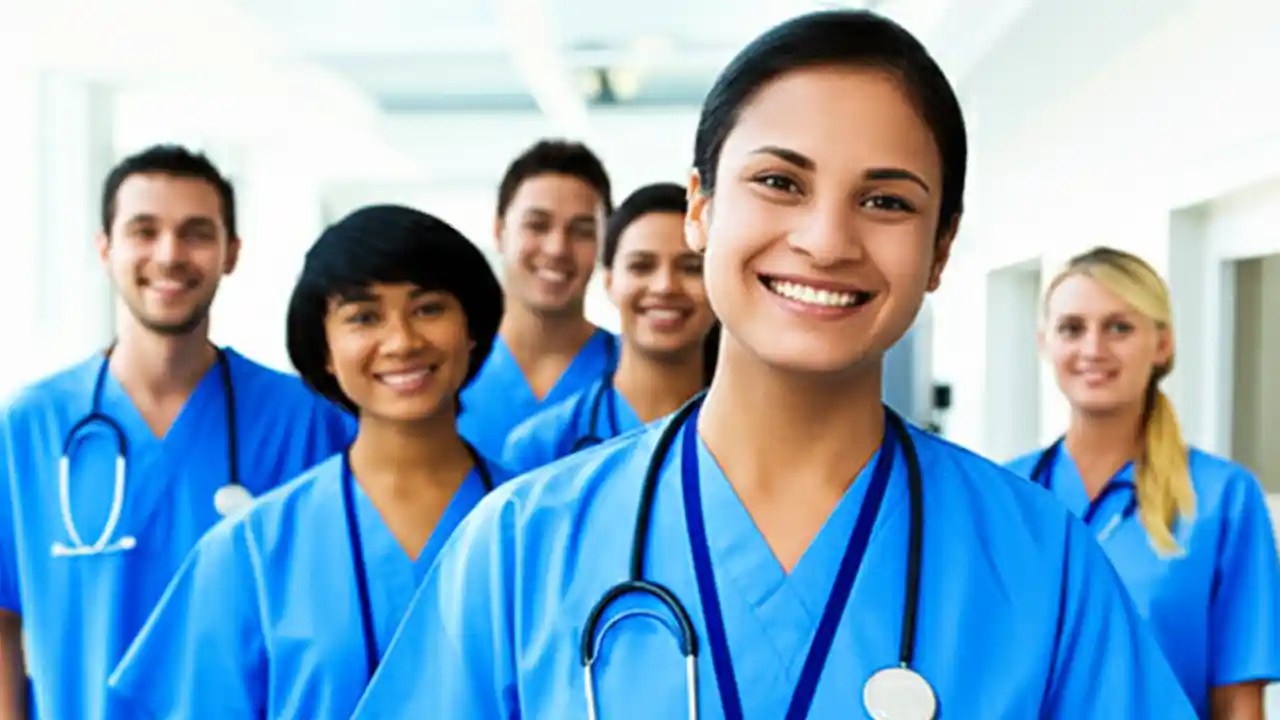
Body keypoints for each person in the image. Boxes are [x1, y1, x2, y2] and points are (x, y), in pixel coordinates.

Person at [352, 10, 1195, 719]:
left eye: (886, 201)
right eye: (780, 182)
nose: (827, 240)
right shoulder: (521, 546)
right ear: (700, 208)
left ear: (940, 251)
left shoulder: (1041, 562)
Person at [107, 205, 511, 717]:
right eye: (364, 317)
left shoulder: (540, 529)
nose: (403, 341)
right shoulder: (251, 551)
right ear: (324, 350)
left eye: (428, 308)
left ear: (471, 327)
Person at [0, 144, 354, 720]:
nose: (170, 255)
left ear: (230, 252)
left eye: (196, 233)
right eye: (144, 231)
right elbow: (3, 617)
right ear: (105, 248)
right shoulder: (30, 426)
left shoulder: (305, 421)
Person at [1006, 246, 1280, 719]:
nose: (1093, 349)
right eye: (1072, 328)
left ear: (1162, 343)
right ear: (1044, 343)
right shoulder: (1006, 493)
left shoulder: (1222, 498)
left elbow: (1239, 703)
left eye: (1119, 327)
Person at [501, 182, 717, 473]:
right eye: (641, 266)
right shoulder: (542, 446)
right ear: (609, 282)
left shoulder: (753, 435)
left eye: (691, 267)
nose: (665, 286)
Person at [457, 139, 618, 459]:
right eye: (537, 225)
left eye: (582, 230)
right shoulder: (447, 369)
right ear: (499, 230)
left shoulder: (634, 373)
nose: (558, 247)